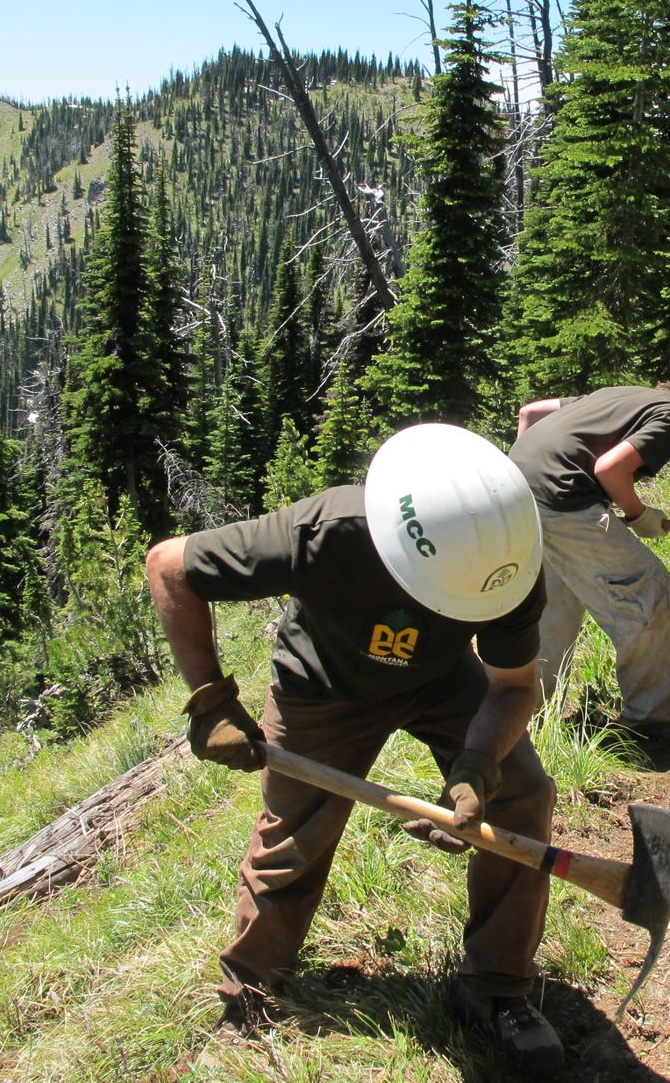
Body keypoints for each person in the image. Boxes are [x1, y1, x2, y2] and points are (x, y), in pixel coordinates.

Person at [146, 424, 564, 1072]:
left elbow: (511, 686)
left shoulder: (506, 565)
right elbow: (170, 566)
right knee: (292, 837)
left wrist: (476, 770)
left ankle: (497, 988)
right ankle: (250, 992)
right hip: (322, 685)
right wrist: (209, 701)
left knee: (522, 793)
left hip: (441, 680)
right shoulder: (327, 532)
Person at [509, 345, 670, 744]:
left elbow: (532, 413)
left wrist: (531, 477)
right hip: (565, 504)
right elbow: (609, 468)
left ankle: (524, 718)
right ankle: (652, 723)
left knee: (554, 606)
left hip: (516, 499)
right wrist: (639, 514)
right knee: (653, 598)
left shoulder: (623, 394)